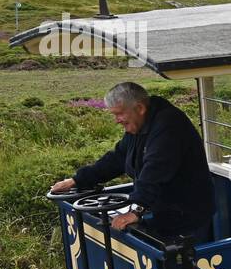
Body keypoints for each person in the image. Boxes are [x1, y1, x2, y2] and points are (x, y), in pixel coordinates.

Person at [50, 82, 214, 243]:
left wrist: (137, 210)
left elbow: (155, 168)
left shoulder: (169, 125)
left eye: (119, 114)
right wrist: (78, 180)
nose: (117, 120)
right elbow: (118, 157)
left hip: (187, 216)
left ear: (140, 108)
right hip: (165, 210)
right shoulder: (139, 125)